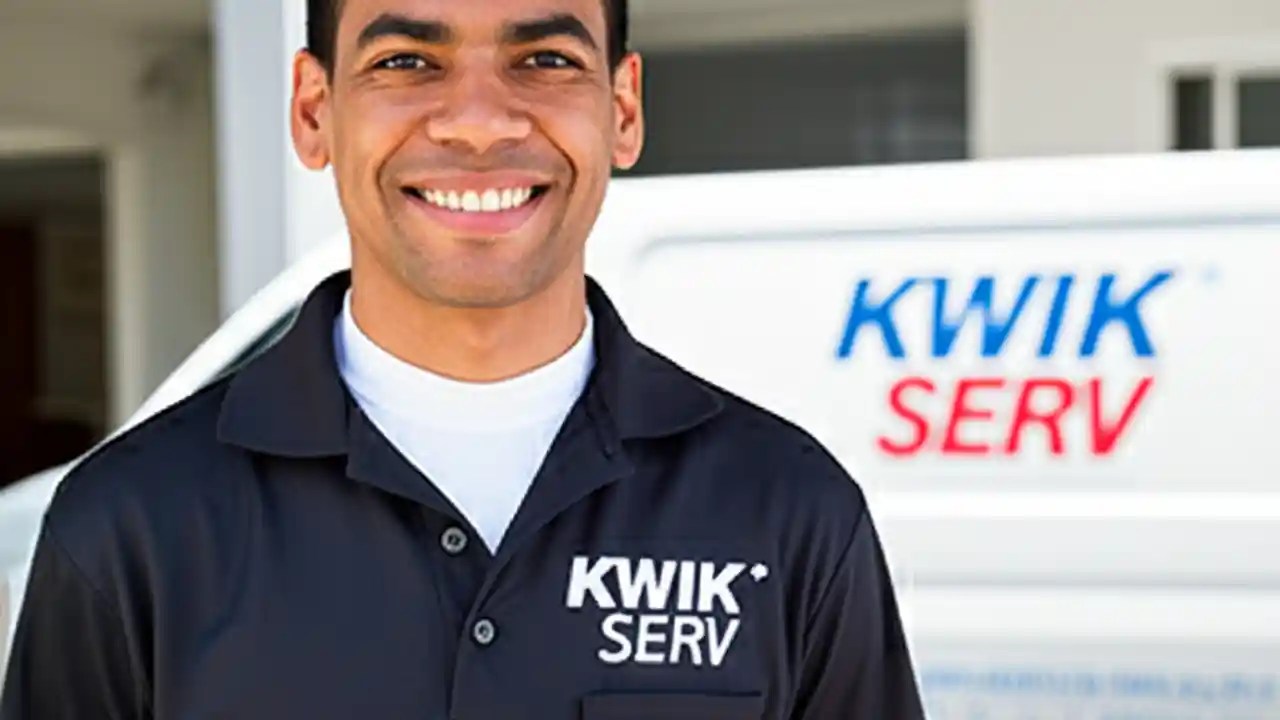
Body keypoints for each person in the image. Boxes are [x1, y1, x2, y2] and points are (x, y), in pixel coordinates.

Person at [0, 0, 925, 717]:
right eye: (408, 61)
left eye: (546, 60)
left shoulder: (788, 509)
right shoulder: (132, 524)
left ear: (624, 108)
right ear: (316, 111)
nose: (479, 123)